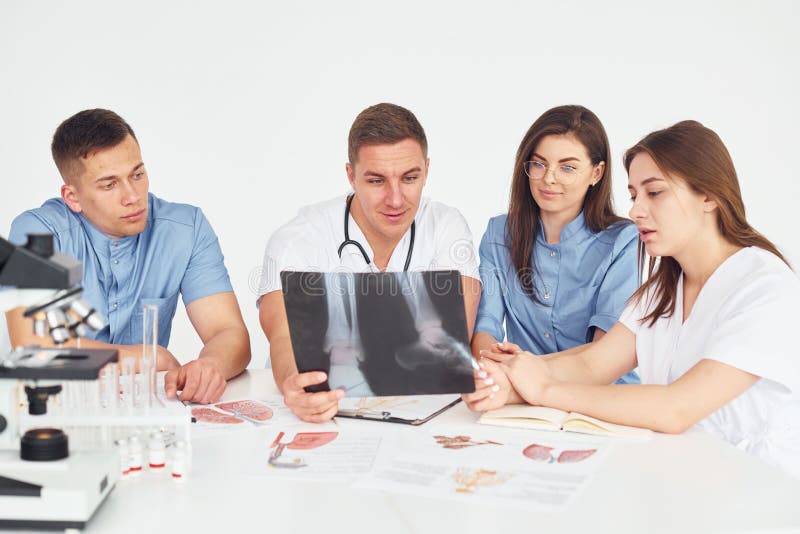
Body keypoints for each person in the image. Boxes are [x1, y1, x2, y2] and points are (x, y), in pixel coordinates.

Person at [465, 120, 800, 477]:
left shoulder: (765, 287)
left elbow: (676, 409)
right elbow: (593, 365)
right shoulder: (662, 289)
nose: (637, 210)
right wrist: (509, 384)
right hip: (682, 478)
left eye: (654, 193)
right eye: (634, 195)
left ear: (709, 196)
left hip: (758, 490)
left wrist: (543, 387)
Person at [6, 109, 250, 404]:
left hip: (144, 414)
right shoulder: (37, 232)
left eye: (137, 174)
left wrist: (210, 366)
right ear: (72, 197)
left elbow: (228, 331)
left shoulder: (186, 228)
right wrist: (146, 358)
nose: (133, 196)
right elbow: (34, 348)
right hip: (54, 408)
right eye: (109, 184)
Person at [258, 103, 481, 422]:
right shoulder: (299, 237)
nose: (395, 199)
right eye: (376, 181)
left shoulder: (446, 227)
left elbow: (454, 336)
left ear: (427, 170)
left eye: (409, 178)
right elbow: (282, 335)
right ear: (351, 175)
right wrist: (294, 385)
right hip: (318, 411)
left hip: (423, 414)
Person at [473, 105, 639, 383]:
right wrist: (492, 369)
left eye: (567, 167)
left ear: (596, 173)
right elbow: (486, 326)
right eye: (538, 164)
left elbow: (603, 355)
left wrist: (524, 368)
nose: (548, 178)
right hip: (522, 395)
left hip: (602, 398)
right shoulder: (499, 233)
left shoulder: (623, 241)